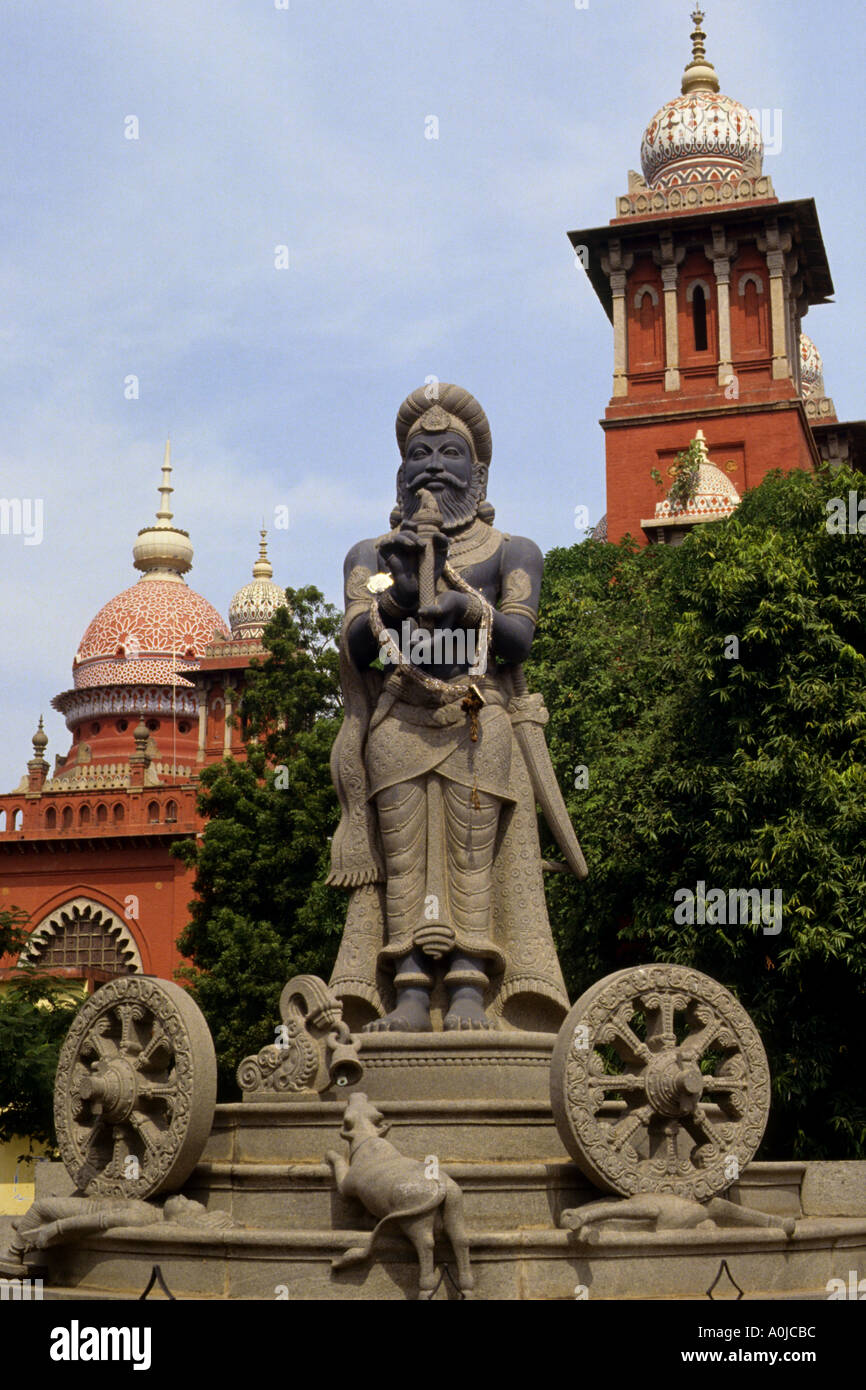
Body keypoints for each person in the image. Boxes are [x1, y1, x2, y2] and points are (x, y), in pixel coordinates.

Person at [327, 384, 574, 1033]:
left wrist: (469, 607)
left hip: (475, 717)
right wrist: (397, 596)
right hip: (399, 720)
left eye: (450, 452)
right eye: (419, 453)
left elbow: (517, 638)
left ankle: (469, 984)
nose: (433, 464)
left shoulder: (509, 551)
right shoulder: (372, 558)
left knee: (470, 857)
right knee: (405, 859)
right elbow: (357, 643)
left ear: (480, 471)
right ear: (400, 473)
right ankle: (408, 989)